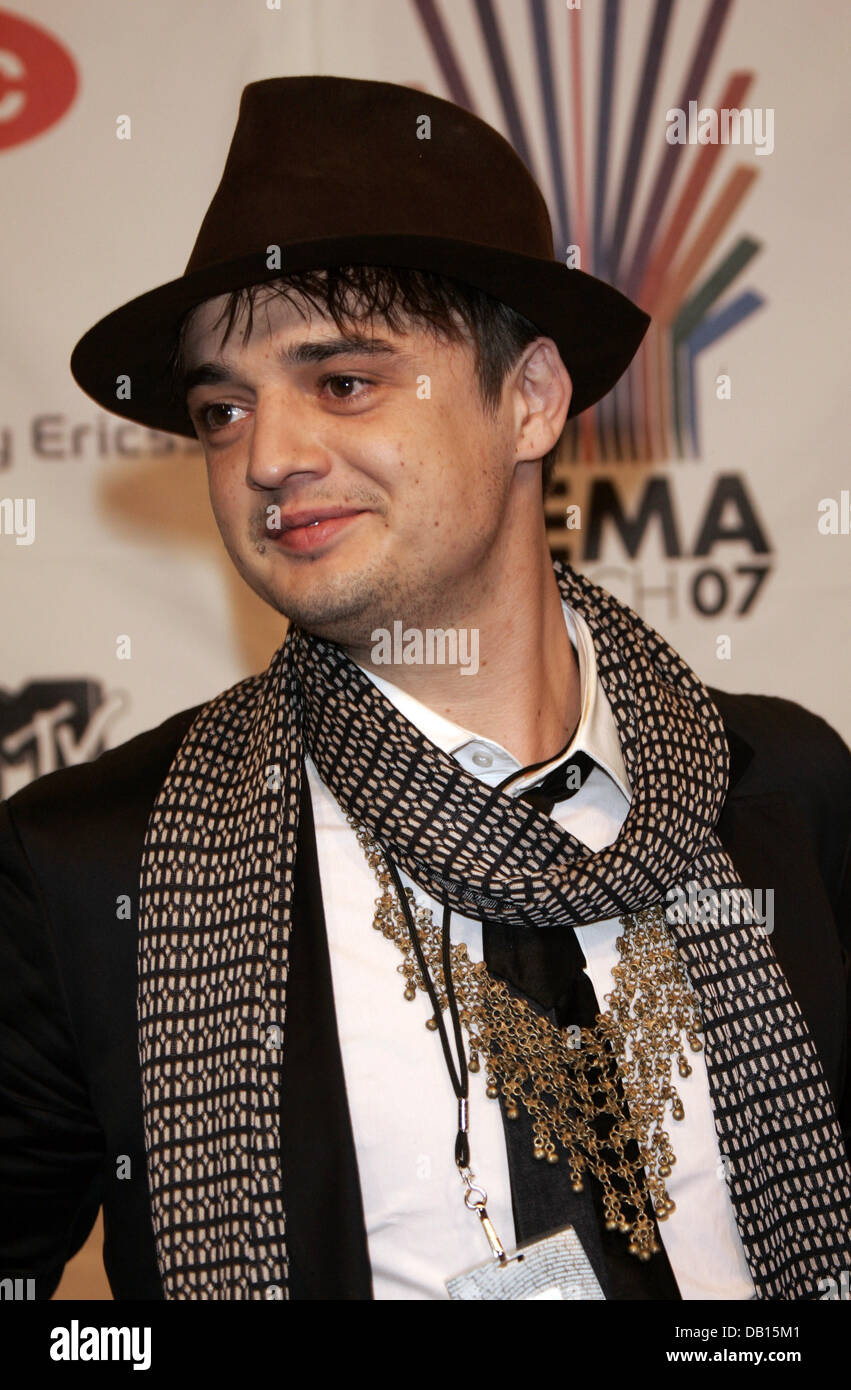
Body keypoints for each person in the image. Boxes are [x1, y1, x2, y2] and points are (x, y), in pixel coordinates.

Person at [1, 75, 849, 1303]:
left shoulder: (780, 788)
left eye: (341, 381)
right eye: (221, 409)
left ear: (531, 399)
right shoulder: (94, 865)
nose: (270, 458)